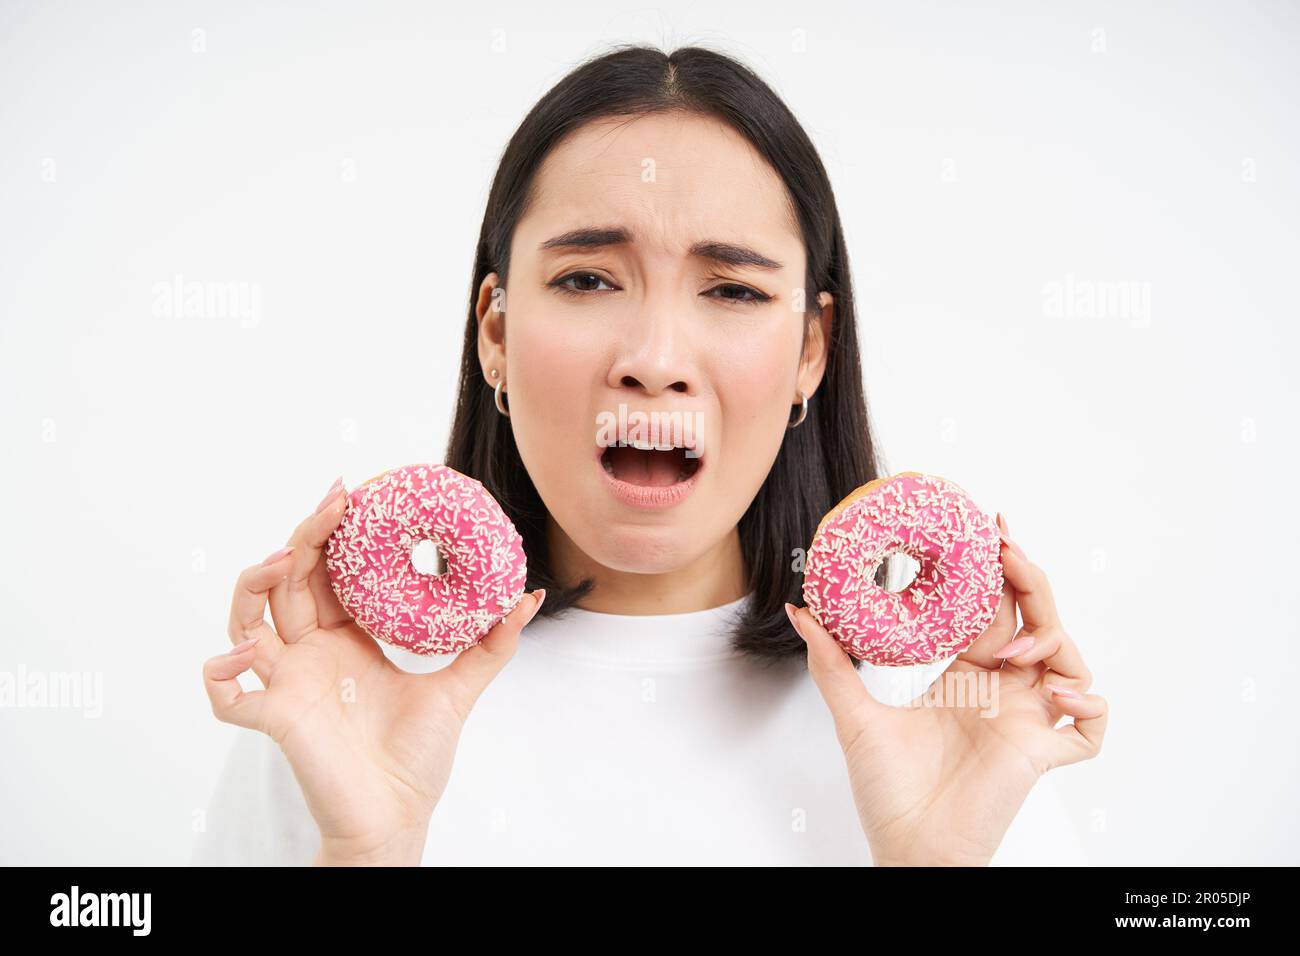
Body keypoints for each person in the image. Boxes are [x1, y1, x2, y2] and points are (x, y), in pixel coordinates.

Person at [197, 44, 1107, 866]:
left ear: (810, 353)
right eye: (586, 279)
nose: (656, 360)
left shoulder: (943, 710)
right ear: (496, 333)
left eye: (732, 289)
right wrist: (369, 849)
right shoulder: (348, 702)